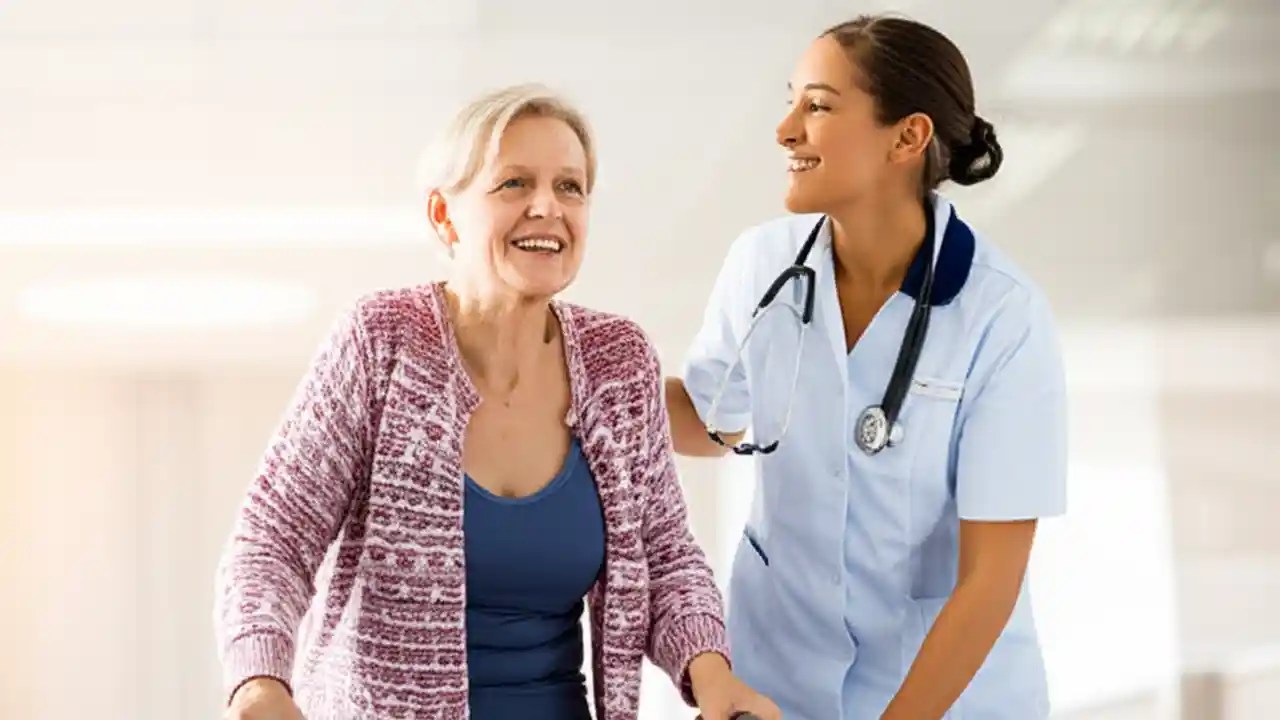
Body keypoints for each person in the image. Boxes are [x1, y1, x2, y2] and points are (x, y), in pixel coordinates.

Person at [215, 83, 780, 720]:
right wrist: (260, 684)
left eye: (570, 187)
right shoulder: (380, 341)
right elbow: (272, 542)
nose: (548, 206)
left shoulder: (617, 360)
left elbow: (668, 559)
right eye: (514, 183)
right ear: (443, 216)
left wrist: (712, 675)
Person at [666, 14, 1068, 720]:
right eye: (791, 101)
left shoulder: (1002, 317)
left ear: (908, 137)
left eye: (817, 105)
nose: (786, 128)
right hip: (777, 684)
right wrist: (569, 381)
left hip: (941, 698)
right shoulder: (763, 264)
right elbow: (712, 420)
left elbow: (990, 582)